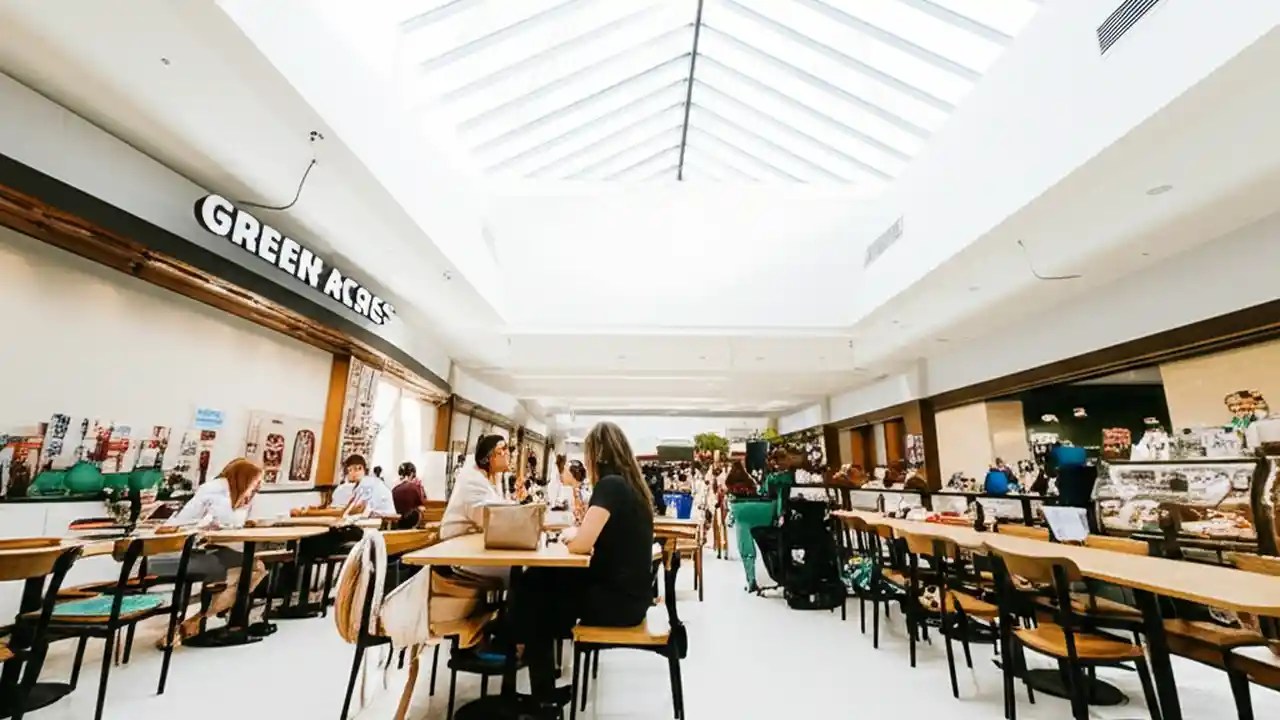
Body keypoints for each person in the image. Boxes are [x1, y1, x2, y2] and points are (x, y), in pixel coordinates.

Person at [508, 421, 655, 714]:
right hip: (630, 597)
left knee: (532, 590)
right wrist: (579, 536)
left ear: (597, 455)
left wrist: (571, 536)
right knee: (538, 581)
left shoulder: (610, 485)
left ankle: (532, 682)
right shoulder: (631, 487)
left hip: (617, 602)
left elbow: (581, 545)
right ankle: (539, 683)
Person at [155, 458, 265, 644]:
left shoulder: (219, 489)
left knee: (249, 568)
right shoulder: (219, 494)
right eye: (255, 482)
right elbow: (228, 524)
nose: (256, 487)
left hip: (192, 550)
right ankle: (201, 619)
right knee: (251, 569)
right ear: (244, 479)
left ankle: (199, 620)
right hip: (186, 555)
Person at [440, 434, 515, 581]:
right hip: (459, 556)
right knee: (520, 573)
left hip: (475, 548)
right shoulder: (472, 480)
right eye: (503, 450)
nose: (508, 454)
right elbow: (494, 517)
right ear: (489, 456)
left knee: (523, 571)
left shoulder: (493, 478)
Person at [392, 461, 427, 529]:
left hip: (397, 522)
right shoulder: (414, 488)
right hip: (410, 522)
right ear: (412, 474)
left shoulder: (394, 489)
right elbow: (421, 503)